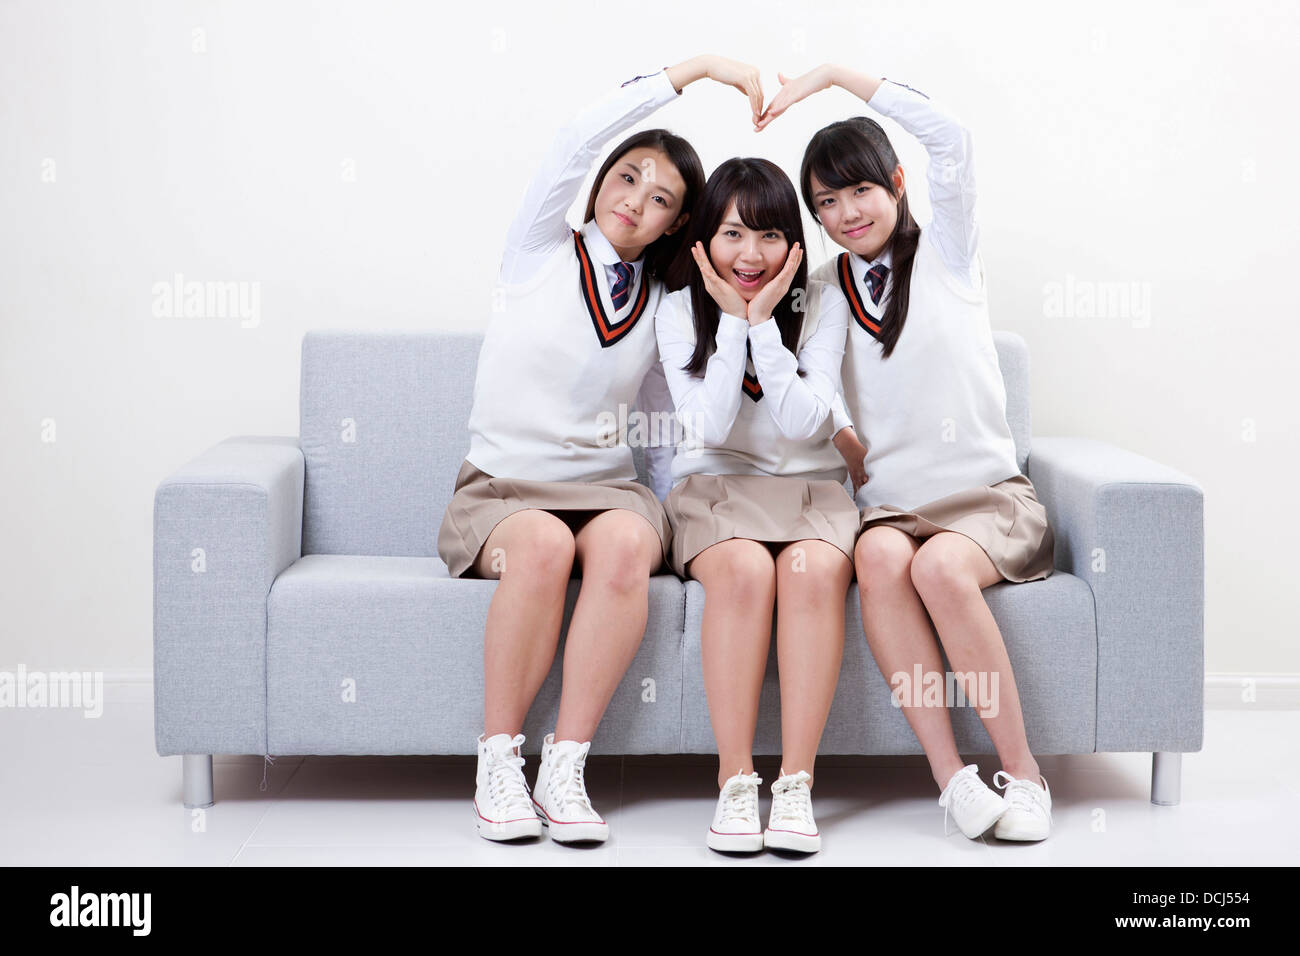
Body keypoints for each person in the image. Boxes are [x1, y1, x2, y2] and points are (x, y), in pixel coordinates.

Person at [436, 55, 764, 845]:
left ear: (673, 227)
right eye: (628, 179)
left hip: (608, 491)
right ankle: (498, 760)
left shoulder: (659, 302)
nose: (635, 202)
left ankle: (565, 764)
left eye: (661, 200)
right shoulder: (539, 249)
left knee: (626, 541)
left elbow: (664, 428)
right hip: (504, 490)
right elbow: (575, 139)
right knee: (544, 544)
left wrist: (681, 507)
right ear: (601, 183)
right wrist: (701, 70)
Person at [757, 64, 1056, 841]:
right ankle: (951, 779)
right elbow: (815, 401)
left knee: (938, 566)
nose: (846, 212)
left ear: (894, 183)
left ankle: (1022, 773)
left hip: (986, 496)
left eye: (858, 190)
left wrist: (829, 78)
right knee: (884, 559)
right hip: (893, 508)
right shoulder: (825, 291)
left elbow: (949, 139)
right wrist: (835, 428)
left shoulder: (949, 252)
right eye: (825, 202)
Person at [655, 156, 856, 854]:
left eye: (769, 235)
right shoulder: (678, 309)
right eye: (734, 233)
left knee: (812, 574)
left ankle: (795, 784)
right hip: (715, 486)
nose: (751, 254)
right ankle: (736, 781)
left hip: (812, 489)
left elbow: (806, 420)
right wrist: (734, 324)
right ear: (705, 239)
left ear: (795, 244)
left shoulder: (824, 304)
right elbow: (705, 427)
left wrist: (765, 323)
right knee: (743, 573)